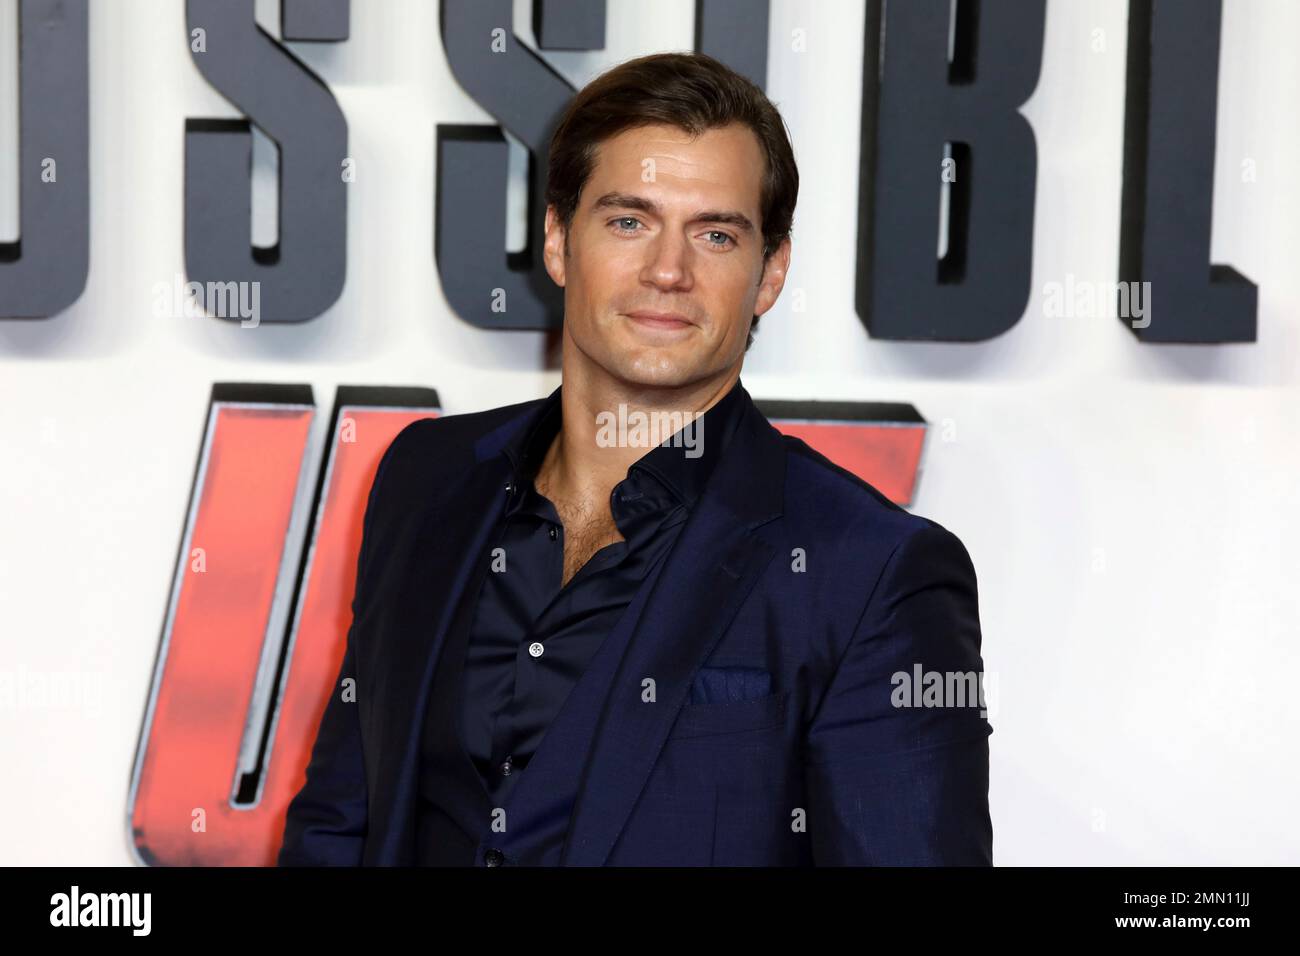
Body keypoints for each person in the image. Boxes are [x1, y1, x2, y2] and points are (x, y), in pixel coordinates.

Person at [278, 51, 991, 867]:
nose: (667, 270)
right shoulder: (428, 478)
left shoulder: (869, 570)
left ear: (770, 274)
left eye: (716, 233)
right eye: (628, 220)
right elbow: (342, 821)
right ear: (556, 241)